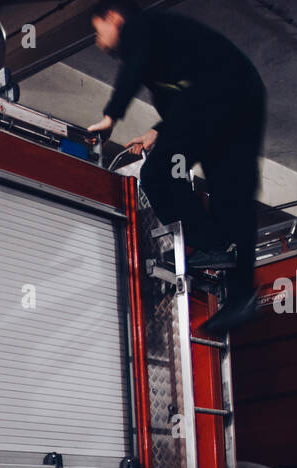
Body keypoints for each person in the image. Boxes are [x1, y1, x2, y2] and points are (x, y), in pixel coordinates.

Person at [86, 0, 266, 332]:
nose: (98, 43)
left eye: (98, 32)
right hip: (220, 105)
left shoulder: (144, 27)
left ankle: (219, 254)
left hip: (236, 97)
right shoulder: (161, 58)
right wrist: (157, 132)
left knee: (202, 183)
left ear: (114, 17)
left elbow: (133, 70)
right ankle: (234, 281)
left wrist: (112, 115)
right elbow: (182, 105)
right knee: (215, 189)